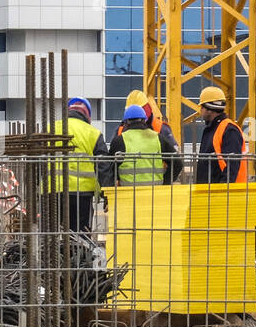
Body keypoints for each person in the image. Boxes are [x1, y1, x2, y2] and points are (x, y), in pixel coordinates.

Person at [47, 96, 114, 232]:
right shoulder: (93, 133)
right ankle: (79, 253)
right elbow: (103, 167)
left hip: (52, 192)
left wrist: (37, 188)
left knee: (50, 238)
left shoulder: (50, 129)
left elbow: (37, 161)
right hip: (81, 194)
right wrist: (106, 195)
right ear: (87, 115)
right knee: (80, 238)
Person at [109, 103, 182, 185]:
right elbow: (178, 163)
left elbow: (109, 168)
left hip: (129, 194)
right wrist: (165, 182)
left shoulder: (119, 141)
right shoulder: (158, 138)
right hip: (154, 194)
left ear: (125, 122)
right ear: (145, 120)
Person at [194, 86, 249, 184]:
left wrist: (222, 192)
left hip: (225, 194)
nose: (200, 110)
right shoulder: (212, 129)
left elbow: (231, 166)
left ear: (210, 109)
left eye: (202, 107)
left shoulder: (229, 130)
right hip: (209, 191)